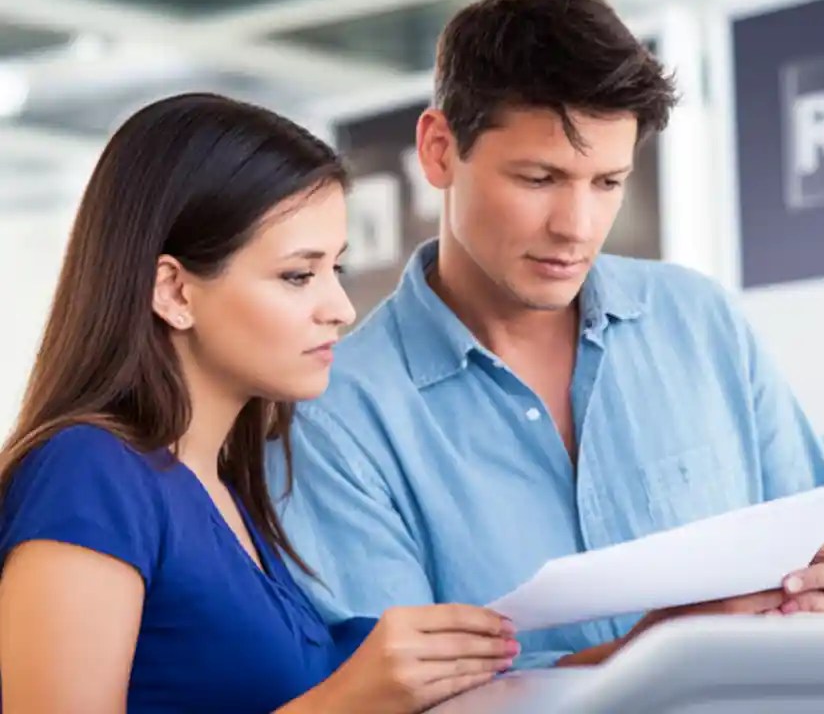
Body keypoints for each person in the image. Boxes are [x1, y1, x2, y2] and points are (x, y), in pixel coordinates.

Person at [269, 0, 824, 670]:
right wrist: (643, 662)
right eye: (540, 179)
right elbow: (394, 696)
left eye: (608, 182)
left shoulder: (701, 324)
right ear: (439, 150)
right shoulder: (333, 416)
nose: (577, 226)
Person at [0, 93, 518, 714]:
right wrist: (346, 702)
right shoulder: (91, 474)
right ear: (174, 291)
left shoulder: (230, 492)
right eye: (298, 276)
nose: (340, 309)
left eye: (337, 271)